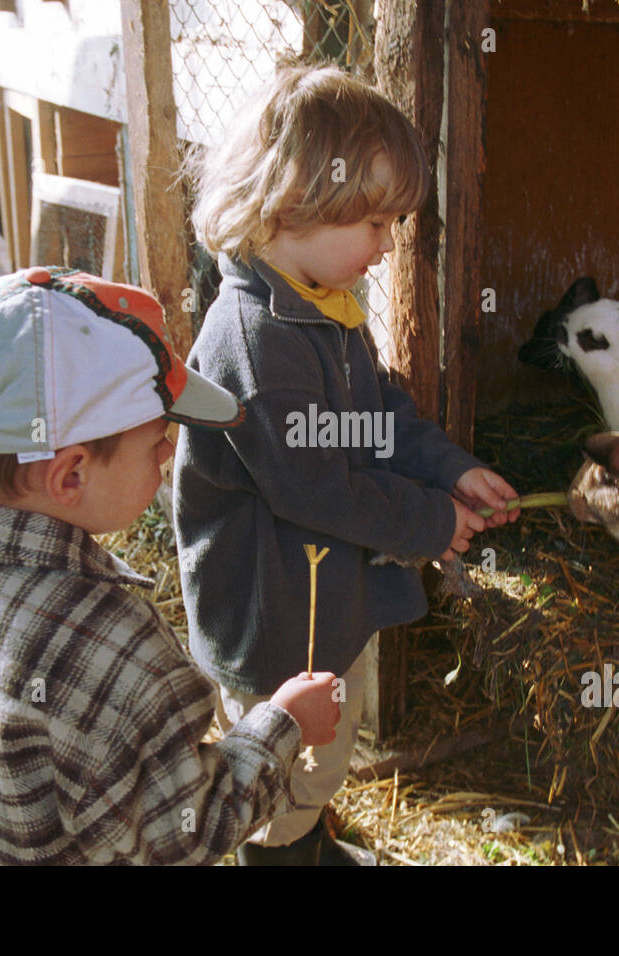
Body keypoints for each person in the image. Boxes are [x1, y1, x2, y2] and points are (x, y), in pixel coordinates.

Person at [0, 266, 341, 865]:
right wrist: (282, 727)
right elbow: (185, 834)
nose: (170, 452)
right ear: (71, 475)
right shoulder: (121, 655)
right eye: (156, 439)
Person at [175, 64, 520, 866]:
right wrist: (432, 522)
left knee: (323, 756)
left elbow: (380, 414)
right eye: (376, 223)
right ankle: (284, 857)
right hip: (276, 621)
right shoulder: (256, 345)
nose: (388, 245)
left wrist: (446, 470)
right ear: (297, 204)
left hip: (327, 598)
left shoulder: (323, 308)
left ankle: (310, 839)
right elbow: (318, 489)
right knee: (281, 773)